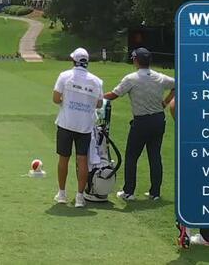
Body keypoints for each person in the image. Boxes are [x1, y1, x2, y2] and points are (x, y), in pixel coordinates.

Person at [104, 47, 174, 201]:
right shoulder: (160, 77)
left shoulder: (131, 78)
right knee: (155, 156)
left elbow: (113, 95)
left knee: (131, 156)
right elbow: (177, 85)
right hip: (158, 120)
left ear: (136, 60)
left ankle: (129, 192)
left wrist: (96, 97)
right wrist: (165, 102)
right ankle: (155, 193)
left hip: (141, 122)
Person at [53, 48, 104, 207]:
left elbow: (56, 98)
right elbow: (100, 103)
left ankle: (62, 194)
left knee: (64, 158)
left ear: (73, 61)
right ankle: (80, 197)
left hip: (66, 123)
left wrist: (66, 102)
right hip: (85, 126)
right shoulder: (96, 81)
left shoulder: (64, 76)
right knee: (82, 160)